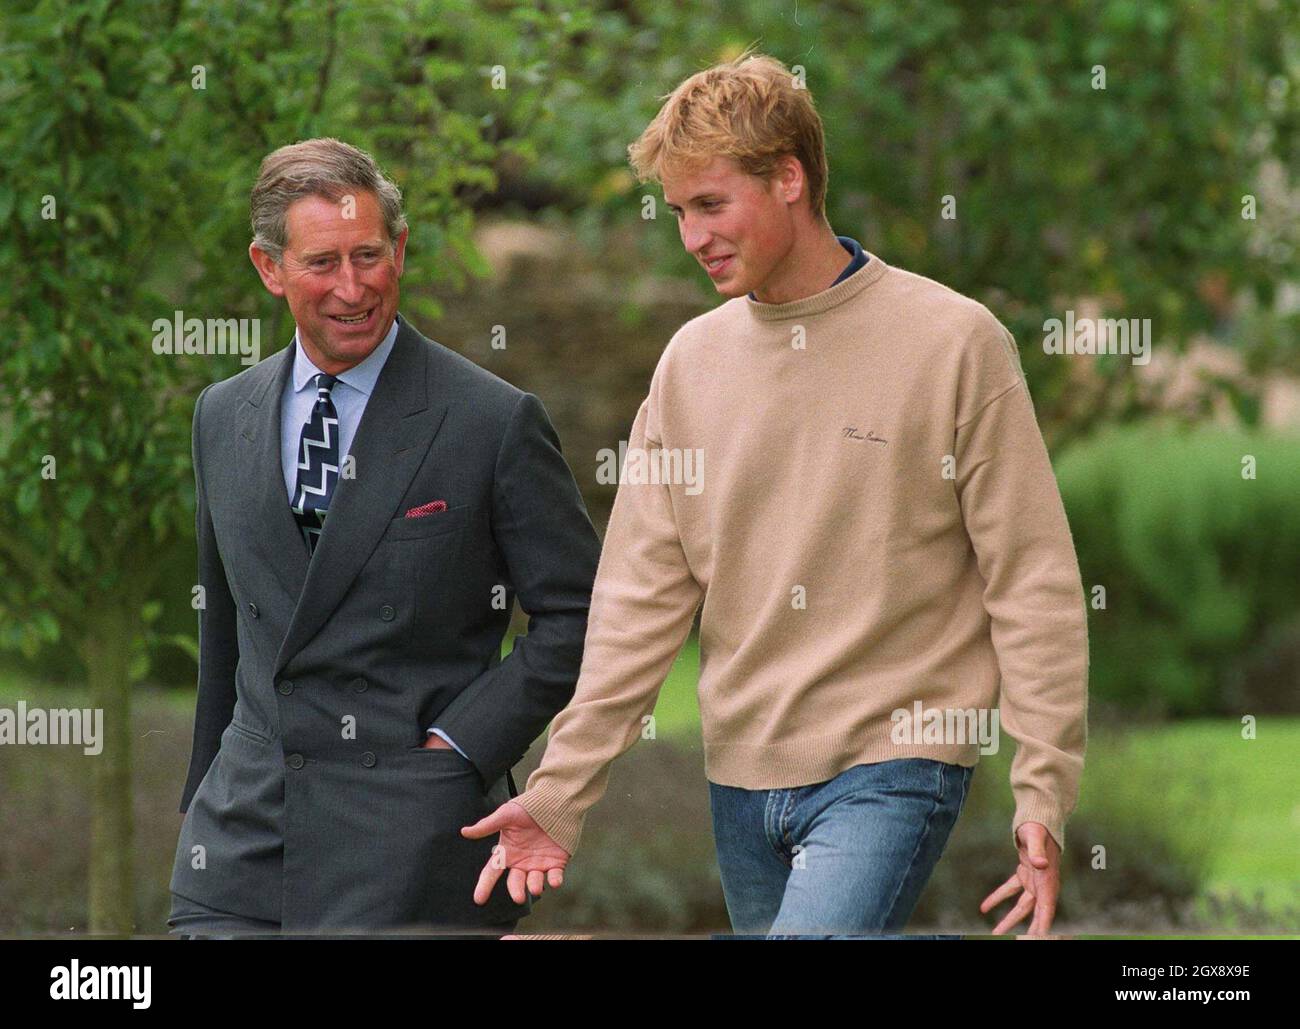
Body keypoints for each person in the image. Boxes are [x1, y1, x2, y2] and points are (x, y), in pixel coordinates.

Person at [464, 50, 1089, 938]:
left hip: (896, 758)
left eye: (711, 204)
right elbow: (641, 594)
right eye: (679, 212)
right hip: (741, 778)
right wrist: (562, 789)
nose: (691, 237)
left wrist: (1043, 783)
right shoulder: (691, 364)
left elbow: (1030, 576)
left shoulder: (954, 343)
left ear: (789, 178)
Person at [167, 137, 600, 936]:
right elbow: (224, 631)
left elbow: (580, 616)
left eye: (369, 255)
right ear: (269, 267)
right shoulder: (220, 414)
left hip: (413, 847)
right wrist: (201, 804)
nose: (353, 287)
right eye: (323, 262)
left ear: (400, 248)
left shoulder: (492, 422)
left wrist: (458, 743)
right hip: (241, 849)